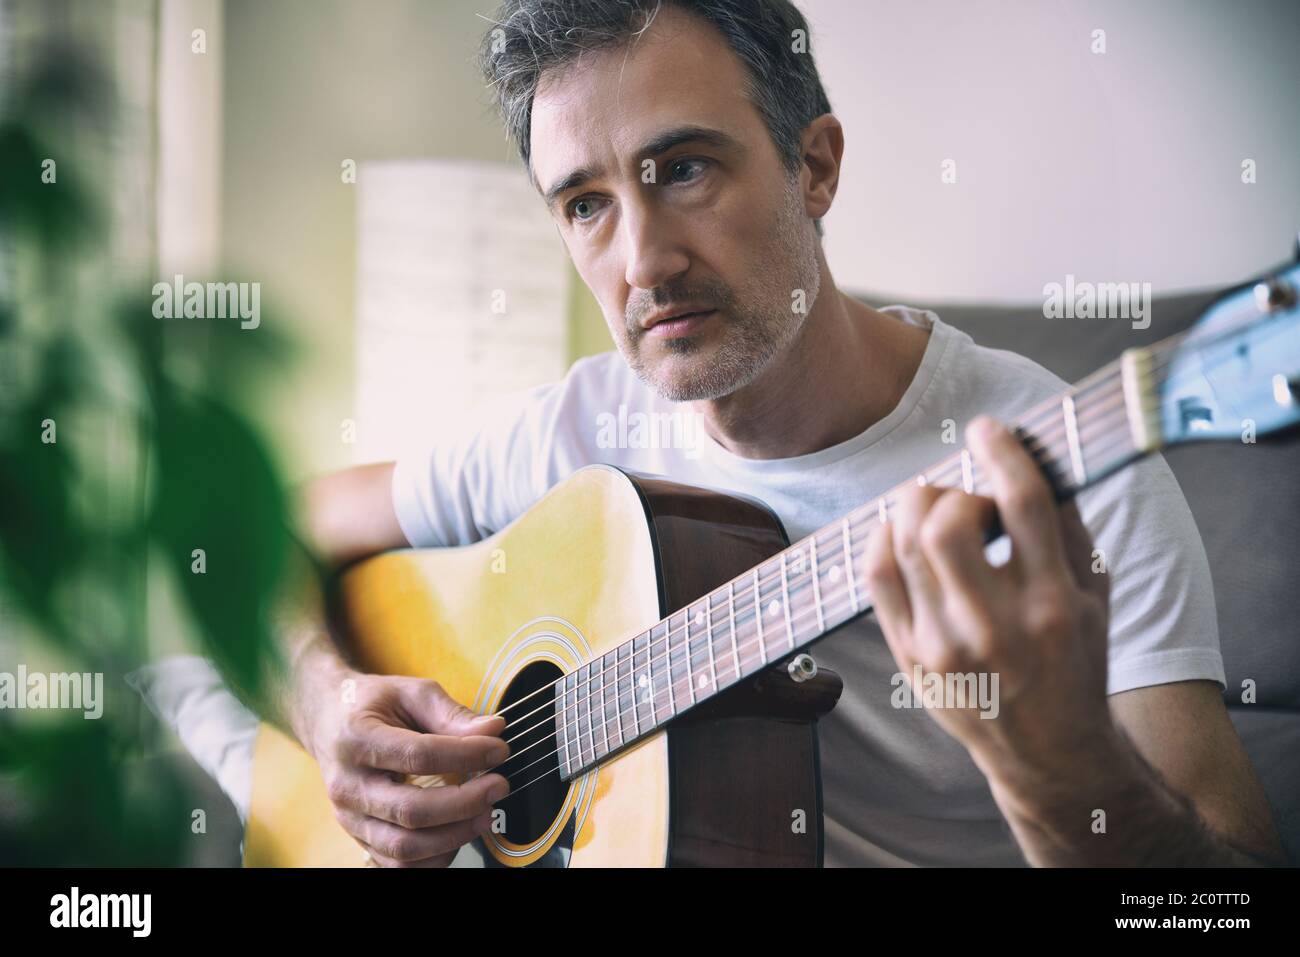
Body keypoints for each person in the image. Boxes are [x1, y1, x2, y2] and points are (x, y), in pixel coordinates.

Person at [269, 0, 1285, 867]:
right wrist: (324, 707)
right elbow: (270, 533)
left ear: (815, 166)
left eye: (683, 169)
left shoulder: (1071, 479)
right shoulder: (569, 437)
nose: (643, 261)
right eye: (586, 204)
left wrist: (1057, 770)